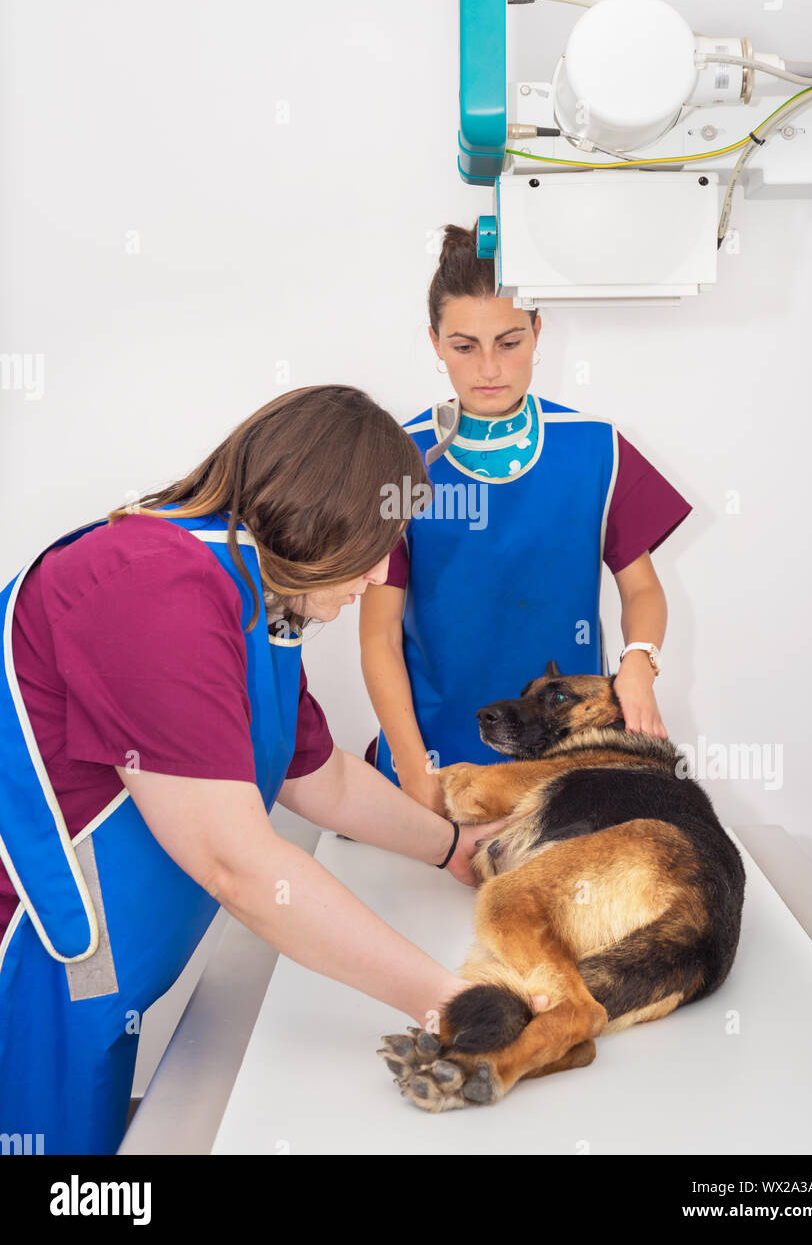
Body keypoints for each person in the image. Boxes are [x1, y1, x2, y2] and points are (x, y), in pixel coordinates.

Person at [0, 384, 545, 1155]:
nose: (373, 584)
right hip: (23, 955)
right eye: (372, 552)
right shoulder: (151, 586)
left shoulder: (254, 598)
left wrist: (451, 844)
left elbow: (314, 775)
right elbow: (237, 862)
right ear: (326, 519)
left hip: (96, 976)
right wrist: (452, 1006)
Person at [360, 224, 693, 815]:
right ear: (435, 343)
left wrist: (638, 665)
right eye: (464, 346)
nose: (489, 367)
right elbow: (379, 636)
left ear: (538, 333)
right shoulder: (400, 462)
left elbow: (641, 588)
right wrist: (416, 775)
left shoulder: (596, 449)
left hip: (570, 766)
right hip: (434, 759)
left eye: (509, 342)